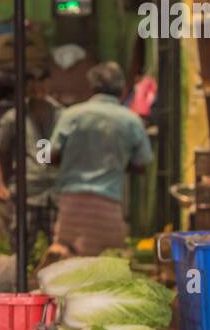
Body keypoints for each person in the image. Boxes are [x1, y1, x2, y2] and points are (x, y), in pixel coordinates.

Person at [47, 61, 153, 258]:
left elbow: (51, 155)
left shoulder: (71, 115)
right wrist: (117, 161)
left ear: (92, 87)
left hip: (72, 203)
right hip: (108, 203)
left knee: (66, 264)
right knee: (106, 267)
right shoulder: (131, 120)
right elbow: (141, 164)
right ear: (122, 89)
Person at [0, 65, 62, 244]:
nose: (37, 87)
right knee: (21, 244)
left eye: (42, 81)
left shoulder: (62, 115)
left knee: (57, 245)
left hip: (55, 191)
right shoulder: (13, 118)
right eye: (32, 82)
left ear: (49, 83)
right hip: (27, 191)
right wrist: (0, 184)